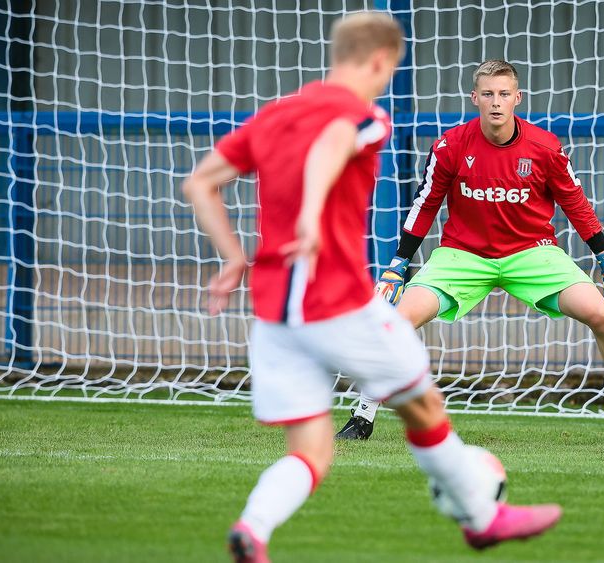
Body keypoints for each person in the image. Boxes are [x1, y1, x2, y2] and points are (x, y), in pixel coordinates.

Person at [183, 17, 561, 562]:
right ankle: (483, 519)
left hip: (273, 313)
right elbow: (333, 142)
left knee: (311, 451)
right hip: (336, 303)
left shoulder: (275, 114)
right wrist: (313, 211)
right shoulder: (365, 116)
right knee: (424, 405)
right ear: (381, 60)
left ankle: (253, 529)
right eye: (392, 69)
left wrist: (233, 256)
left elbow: (200, 182)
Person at [336, 59, 604, 443]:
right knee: (396, 322)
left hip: (532, 253)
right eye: (488, 94)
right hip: (463, 255)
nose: (496, 102)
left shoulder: (545, 147)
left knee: (601, 314)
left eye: (504, 94)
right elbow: (425, 205)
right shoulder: (450, 146)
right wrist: (398, 265)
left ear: (518, 98)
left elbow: (576, 204)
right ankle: (362, 415)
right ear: (475, 98)